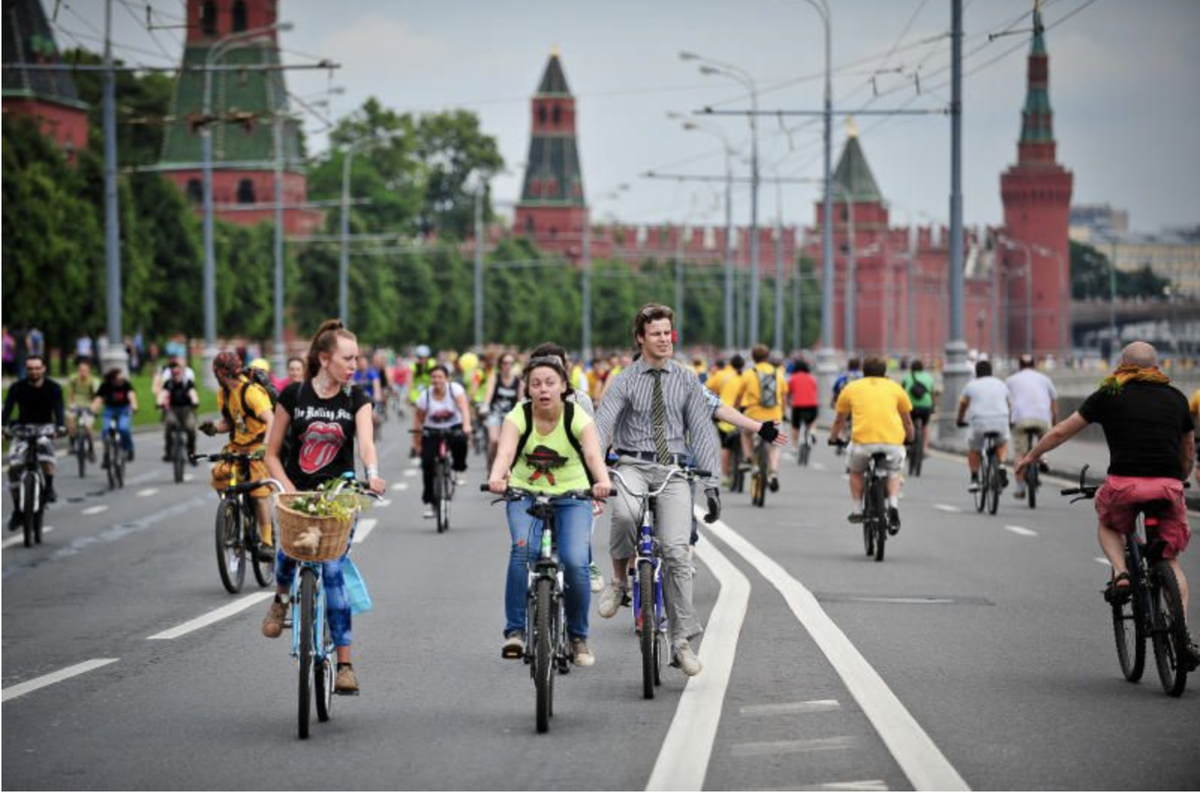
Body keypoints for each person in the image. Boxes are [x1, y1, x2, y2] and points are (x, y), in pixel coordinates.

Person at [1016, 342, 1200, 670]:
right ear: (1156, 367)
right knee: (1170, 560)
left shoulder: (1110, 393)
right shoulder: (1176, 398)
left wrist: (1031, 456)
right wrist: (1180, 477)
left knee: (1110, 523)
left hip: (1124, 485)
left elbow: (1060, 431)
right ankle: (1182, 636)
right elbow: (1188, 449)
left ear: (1122, 365)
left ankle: (1121, 573)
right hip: (1168, 486)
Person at [594, 304, 721, 678]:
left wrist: (712, 484)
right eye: (656, 334)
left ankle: (681, 642)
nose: (664, 339)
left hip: (673, 470)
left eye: (668, 333)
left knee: (678, 552)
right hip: (632, 464)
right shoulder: (623, 380)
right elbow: (602, 427)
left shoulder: (686, 380)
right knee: (625, 514)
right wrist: (597, 474)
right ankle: (619, 582)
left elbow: (702, 431)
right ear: (640, 338)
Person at [263, 320, 386, 694]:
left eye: (357, 358)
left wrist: (373, 472)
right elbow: (271, 453)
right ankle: (281, 600)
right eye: (347, 358)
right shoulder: (294, 396)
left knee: (332, 572)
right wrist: (287, 488)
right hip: (297, 494)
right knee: (288, 552)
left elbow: (365, 442)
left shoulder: (356, 399)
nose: (354, 364)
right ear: (324, 358)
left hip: (339, 497)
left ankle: (345, 664)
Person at [488, 356, 613, 666]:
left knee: (574, 561)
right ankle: (515, 631)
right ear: (527, 389)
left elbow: (594, 455)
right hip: (525, 494)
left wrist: (603, 482)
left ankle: (578, 638)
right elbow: (505, 452)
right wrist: (496, 477)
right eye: (536, 384)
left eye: (550, 383)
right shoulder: (518, 416)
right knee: (522, 550)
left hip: (572, 495)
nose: (543, 389)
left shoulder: (578, 417)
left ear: (563, 387)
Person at [198, 353, 276, 553]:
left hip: (257, 446)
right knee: (220, 476)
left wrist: (264, 448)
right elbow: (230, 422)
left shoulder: (251, 392)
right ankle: (236, 513)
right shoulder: (223, 394)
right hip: (236, 447)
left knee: (259, 493)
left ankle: (267, 541)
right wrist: (214, 428)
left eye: (215, 372)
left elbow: (272, 420)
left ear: (221, 373)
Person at [829, 356, 914, 530]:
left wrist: (833, 438)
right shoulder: (896, 388)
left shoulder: (851, 388)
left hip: (862, 444)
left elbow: (839, 420)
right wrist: (911, 438)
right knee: (894, 472)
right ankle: (893, 505)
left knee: (855, 471)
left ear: (864, 371)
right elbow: (907, 422)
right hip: (892, 443)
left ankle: (858, 509)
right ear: (885, 372)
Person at [3, 355, 65, 523]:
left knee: (46, 452)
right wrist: (3, 427)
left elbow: (59, 410)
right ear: (26, 369)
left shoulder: (54, 388)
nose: (34, 372)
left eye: (37, 368)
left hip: (45, 427)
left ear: (43, 368)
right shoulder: (17, 388)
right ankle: (17, 509)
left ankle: (49, 487)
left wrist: (60, 427)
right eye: (30, 369)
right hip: (22, 428)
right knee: (14, 468)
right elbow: (7, 410)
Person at [412, 364, 472, 519]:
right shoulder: (424, 396)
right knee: (426, 463)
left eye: (440, 377)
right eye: (433, 377)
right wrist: (417, 443)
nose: (436, 380)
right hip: (431, 430)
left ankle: (458, 468)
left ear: (447, 378)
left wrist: (466, 425)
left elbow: (464, 408)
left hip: (453, 426)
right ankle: (430, 503)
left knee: (460, 441)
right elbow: (418, 420)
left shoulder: (455, 390)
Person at [737, 344, 788, 492]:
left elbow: (740, 395)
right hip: (774, 416)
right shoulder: (778, 373)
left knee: (745, 434)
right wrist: (783, 413)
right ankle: (772, 472)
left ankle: (747, 459)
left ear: (753, 357)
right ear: (768, 357)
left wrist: (737, 410)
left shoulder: (748, 373)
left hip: (753, 416)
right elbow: (784, 397)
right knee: (775, 445)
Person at [1006, 354, 1058, 499]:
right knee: (1045, 440)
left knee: (1020, 454)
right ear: (1034, 365)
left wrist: (1009, 419)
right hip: (1042, 418)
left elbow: (1006, 401)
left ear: (1019, 365)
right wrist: (1054, 422)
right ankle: (1044, 459)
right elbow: (1054, 401)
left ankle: (1020, 486)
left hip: (1021, 419)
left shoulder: (1011, 380)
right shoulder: (1044, 379)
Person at [955, 359, 1011, 493]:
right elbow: (1009, 404)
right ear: (991, 372)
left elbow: (963, 405)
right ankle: (1002, 465)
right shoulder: (1001, 384)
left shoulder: (971, 385)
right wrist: (1009, 420)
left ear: (976, 372)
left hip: (979, 422)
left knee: (974, 449)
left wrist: (960, 420)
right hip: (1001, 419)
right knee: (1002, 443)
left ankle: (974, 480)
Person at [482, 352, 523, 465]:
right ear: (500, 364)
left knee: (511, 443)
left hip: (510, 416)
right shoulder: (495, 377)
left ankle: (507, 466)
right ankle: (491, 463)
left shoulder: (518, 381)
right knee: (494, 440)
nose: (507, 366)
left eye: (510, 363)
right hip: (495, 413)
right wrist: (485, 405)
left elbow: (520, 400)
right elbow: (489, 394)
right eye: (505, 363)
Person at [92, 367, 138, 462]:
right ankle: (106, 453)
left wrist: (134, 407)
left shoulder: (126, 384)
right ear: (113, 378)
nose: (121, 379)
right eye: (119, 377)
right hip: (110, 410)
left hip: (124, 410)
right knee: (105, 431)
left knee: (123, 429)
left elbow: (131, 395)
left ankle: (128, 448)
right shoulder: (105, 385)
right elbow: (98, 399)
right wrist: (94, 410)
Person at [158, 358, 199, 463]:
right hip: (173, 409)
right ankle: (168, 452)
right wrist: (160, 402)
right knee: (169, 426)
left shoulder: (187, 382)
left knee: (191, 429)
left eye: (177, 370)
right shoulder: (169, 383)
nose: (176, 373)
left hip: (187, 410)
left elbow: (192, 392)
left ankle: (191, 453)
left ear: (181, 371)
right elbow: (163, 393)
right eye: (173, 370)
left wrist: (195, 401)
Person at [901, 359, 937, 459]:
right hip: (926, 406)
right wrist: (933, 407)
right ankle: (924, 448)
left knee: (907, 423)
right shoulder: (929, 377)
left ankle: (908, 445)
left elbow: (901, 393)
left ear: (911, 368)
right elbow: (932, 394)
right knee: (925, 426)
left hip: (911, 406)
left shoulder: (907, 377)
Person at [66, 358, 99, 462]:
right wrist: (70, 405)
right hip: (76, 403)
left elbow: (96, 396)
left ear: (89, 371)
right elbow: (70, 394)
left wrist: (94, 408)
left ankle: (91, 449)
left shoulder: (94, 381)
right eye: (81, 370)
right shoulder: (73, 379)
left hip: (88, 404)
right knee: (70, 421)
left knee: (88, 427)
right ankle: (71, 444)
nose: (83, 373)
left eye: (85, 370)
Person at [788, 358, 819, 453]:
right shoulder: (812, 378)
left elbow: (788, 393)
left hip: (798, 405)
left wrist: (789, 403)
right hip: (811, 405)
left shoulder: (792, 378)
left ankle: (794, 447)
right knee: (812, 420)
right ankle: (813, 432)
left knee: (795, 426)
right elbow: (815, 391)